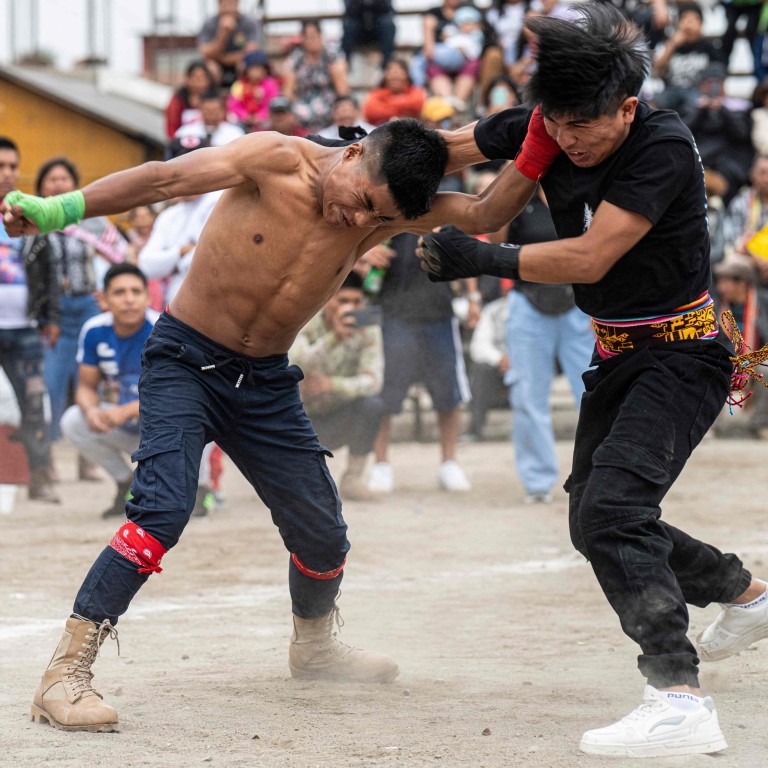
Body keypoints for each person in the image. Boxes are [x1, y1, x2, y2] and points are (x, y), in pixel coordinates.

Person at [1, 117, 477, 733]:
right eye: (361, 202)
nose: (362, 223)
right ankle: (63, 675)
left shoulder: (379, 206)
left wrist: (545, 137)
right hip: (185, 361)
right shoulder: (275, 159)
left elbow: (484, 203)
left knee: (323, 533)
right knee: (162, 512)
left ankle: (313, 647)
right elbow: (163, 178)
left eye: (376, 217)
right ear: (353, 154)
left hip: (266, 380)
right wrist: (58, 207)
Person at [414, 3, 768, 756]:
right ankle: (749, 595)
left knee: (613, 511)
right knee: (593, 517)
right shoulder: (546, 124)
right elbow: (445, 150)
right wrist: (356, 167)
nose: (569, 138)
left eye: (586, 124)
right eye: (558, 122)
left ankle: (679, 697)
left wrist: (481, 258)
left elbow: (588, 257)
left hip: (684, 354)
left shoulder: (662, 142)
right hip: (616, 355)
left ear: (628, 106)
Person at [60, 264, 159, 518]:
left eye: (136, 291)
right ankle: (126, 482)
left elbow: (179, 394)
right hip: (126, 424)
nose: (129, 299)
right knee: (74, 420)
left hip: (164, 429)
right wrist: (92, 410)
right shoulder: (94, 330)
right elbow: (85, 386)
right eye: (119, 292)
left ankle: (203, 488)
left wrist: (126, 410)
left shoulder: (163, 330)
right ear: (103, 299)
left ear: (148, 297)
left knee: (198, 420)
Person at [290, 271, 385, 501]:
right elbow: (294, 365)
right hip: (300, 419)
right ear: (327, 299)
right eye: (343, 301)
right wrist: (334, 338)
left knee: (372, 406)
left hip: (339, 414)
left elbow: (374, 382)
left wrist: (332, 385)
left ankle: (352, 479)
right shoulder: (306, 318)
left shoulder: (367, 325)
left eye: (356, 301)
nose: (350, 308)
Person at [0, 136, 59, 503]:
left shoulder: (30, 212)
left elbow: (49, 271)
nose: (7, 174)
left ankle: (40, 476)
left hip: (25, 330)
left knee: (34, 405)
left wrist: (51, 318)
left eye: (12, 167)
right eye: (0, 167)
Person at [652, 2, 724, 112]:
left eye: (694, 19)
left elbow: (718, 72)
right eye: (685, 19)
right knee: (652, 105)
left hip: (697, 91)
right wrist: (671, 46)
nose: (689, 24)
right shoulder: (669, 43)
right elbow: (656, 69)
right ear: (678, 23)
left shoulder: (709, 47)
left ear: (701, 24)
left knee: (698, 107)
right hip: (671, 90)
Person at [281, 20, 350, 134]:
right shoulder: (295, 58)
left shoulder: (332, 54)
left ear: (320, 36)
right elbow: (288, 91)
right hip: (302, 106)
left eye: (314, 36)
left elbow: (342, 89)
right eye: (306, 37)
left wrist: (341, 107)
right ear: (302, 39)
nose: (311, 40)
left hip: (329, 103)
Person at [197, 0, 261, 89]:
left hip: (237, 63)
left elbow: (251, 52)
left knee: (245, 65)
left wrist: (222, 58)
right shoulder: (209, 23)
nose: (229, 8)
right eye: (226, 4)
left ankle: (244, 95)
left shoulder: (249, 22)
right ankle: (213, 96)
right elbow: (205, 52)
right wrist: (223, 33)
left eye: (232, 4)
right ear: (219, 5)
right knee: (211, 67)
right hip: (217, 65)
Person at [226, 50, 281, 131]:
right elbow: (233, 105)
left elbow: (273, 104)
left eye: (260, 68)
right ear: (246, 70)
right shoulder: (239, 85)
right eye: (254, 68)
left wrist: (260, 116)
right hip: (243, 121)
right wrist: (244, 115)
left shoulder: (271, 84)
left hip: (264, 120)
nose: (257, 71)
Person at [362, 59, 427, 126]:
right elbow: (370, 111)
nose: (395, 74)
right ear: (385, 76)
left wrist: (386, 104)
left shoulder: (416, 91)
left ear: (406, 75)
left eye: (400, 70)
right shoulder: (375, 93)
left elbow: (417, 104)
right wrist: (403, 110)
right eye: (391, 71)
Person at [164, 60, 216, 140]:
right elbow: (171, 128)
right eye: (196, 78)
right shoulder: (178, 99)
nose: (199, 83)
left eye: (203, 78)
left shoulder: (215, 98)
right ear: (188, 79)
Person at [174, 90, 245, 147]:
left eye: (215, 110)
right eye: (207, 110)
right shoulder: (185, 132)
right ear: (200, 110)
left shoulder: (235, 134)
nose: (212, 114)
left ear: (223, 111)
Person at [341, 0, 396, 70]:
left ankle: (387, 66)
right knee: (349, 25)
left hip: (377, 30)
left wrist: (369, 4)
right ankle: (345, 65)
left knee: (387, 24)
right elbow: (350, 10)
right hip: (359, 31)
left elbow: (386, 8)